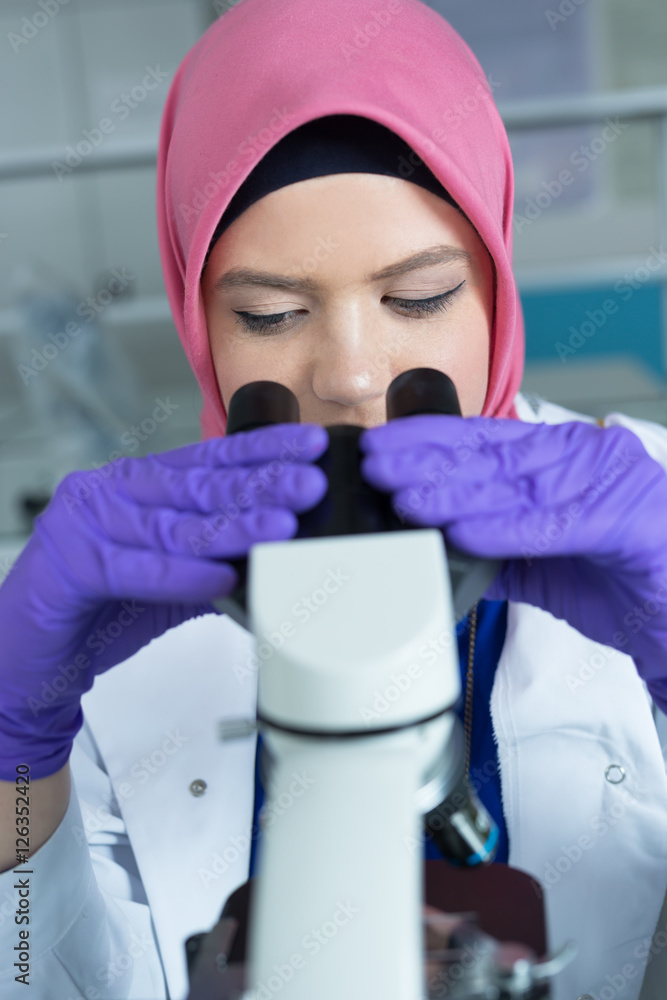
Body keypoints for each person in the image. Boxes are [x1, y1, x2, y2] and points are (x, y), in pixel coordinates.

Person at [1, 0, 667, 997]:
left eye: (418, 297)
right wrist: (14, 762)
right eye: (270, 313)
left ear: (496, 281)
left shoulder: (646, 513)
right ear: (197, 315)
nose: (351, 376)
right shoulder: (98, 582)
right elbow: (31, 969)